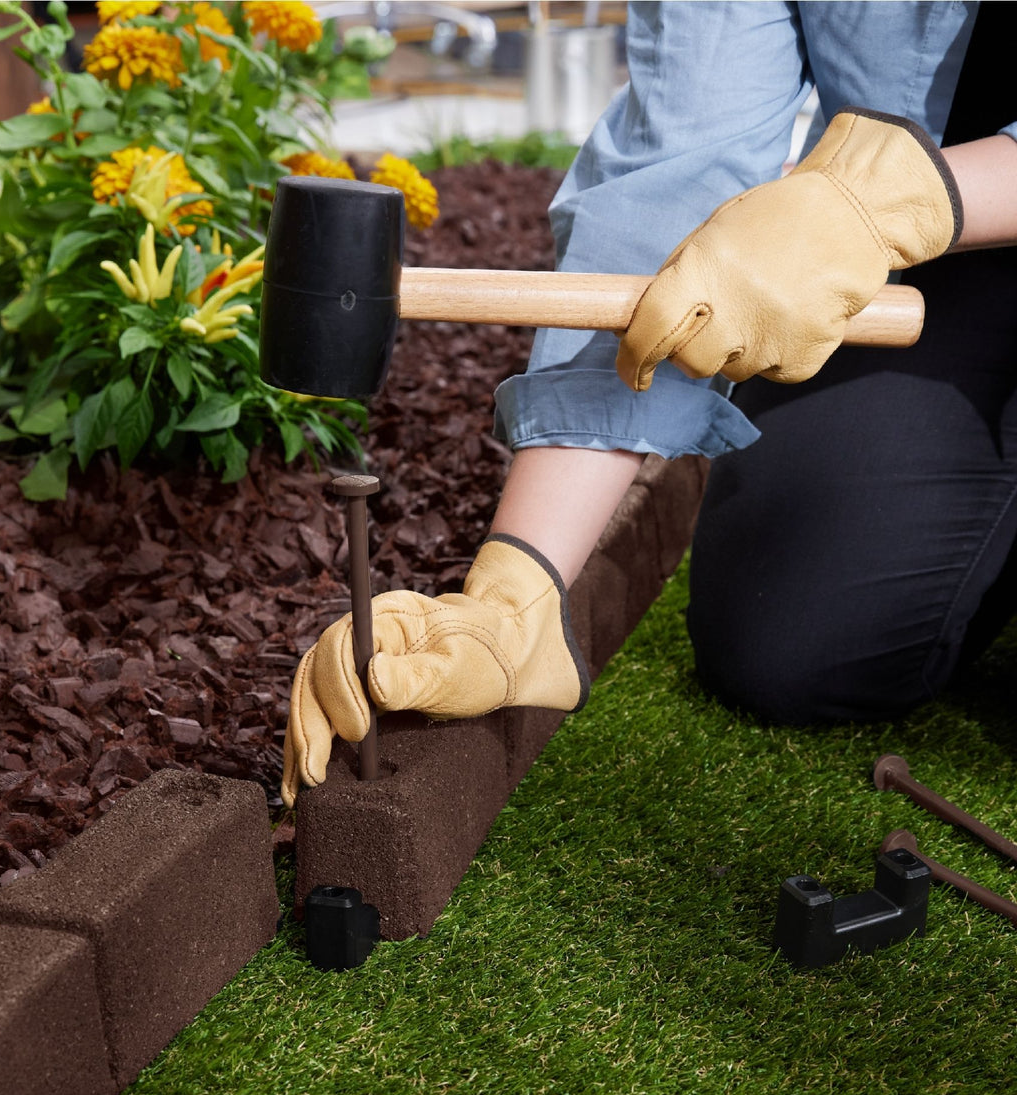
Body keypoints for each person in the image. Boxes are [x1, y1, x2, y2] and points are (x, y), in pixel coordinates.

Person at [280, 0, 1017, 807]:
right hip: (900, 252)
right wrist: (518, 589)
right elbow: (677, 163)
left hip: (908, 207)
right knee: (786, 647)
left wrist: (897, 200)